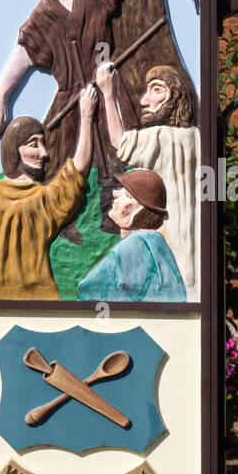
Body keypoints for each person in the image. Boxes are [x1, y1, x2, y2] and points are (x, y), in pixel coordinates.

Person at [0, 0, 166, 237]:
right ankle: (63, 221)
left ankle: (117, 216)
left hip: (107, 85)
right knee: (62, 158)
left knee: (117, 154)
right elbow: (20, 57)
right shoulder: (42, 15)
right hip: (71, 96)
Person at [0, 85, 98, 300]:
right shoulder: (39, 201)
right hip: (36, 305)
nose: (44, 153)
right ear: (14, 150)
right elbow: (78, 171)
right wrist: (87, 117)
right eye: (34, 144)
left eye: (43, 144)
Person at [95, 60, 201, 299]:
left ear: (175, 96)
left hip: (167, 250)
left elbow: (120, 143)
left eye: (156, 89)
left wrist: (108, 93)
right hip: (194, 258)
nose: (144, 100)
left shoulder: (161, 137)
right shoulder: (197, 137)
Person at [76, 168, 186, 303]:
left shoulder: (137, 243)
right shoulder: (155, 241)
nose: (115, 194)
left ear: (138, 210)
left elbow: (88, 291)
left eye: (127, 195)